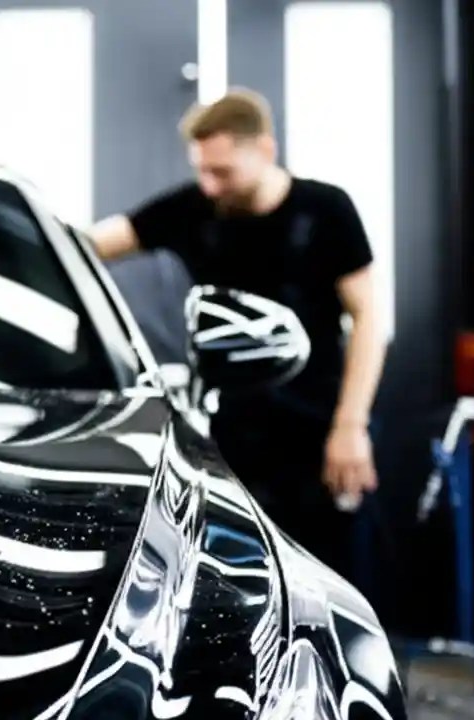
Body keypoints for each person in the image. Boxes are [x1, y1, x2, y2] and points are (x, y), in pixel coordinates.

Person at [85, 88, 387, 580]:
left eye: (222, 172)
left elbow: (370, 318)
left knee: (331, 575)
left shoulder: (327, 210)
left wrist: (351, 426)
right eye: (201, 170)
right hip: (228, 438)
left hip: (318, 429)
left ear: (264, 150)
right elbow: (91, 243)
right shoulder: (196, 208)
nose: (209, 185)